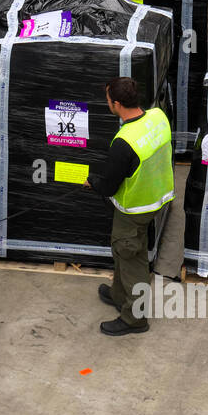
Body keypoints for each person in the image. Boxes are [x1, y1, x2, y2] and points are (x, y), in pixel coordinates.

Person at [85, 77, 174, 336]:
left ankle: (135, 318)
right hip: (158, 196)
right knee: (123, 250)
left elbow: (109, 186)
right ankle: (118, 294)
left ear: (117, 103)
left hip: (135, 208)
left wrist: (93, 182)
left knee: (130, 257)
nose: (107, 104)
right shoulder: (158, 117)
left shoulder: (124, 142)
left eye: (108, 100)